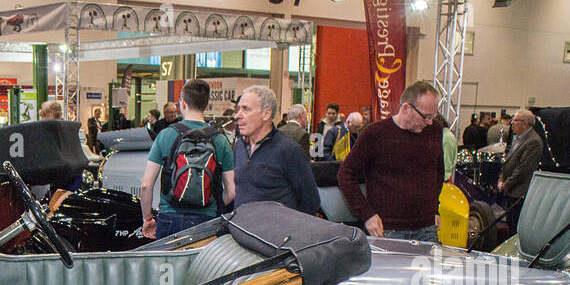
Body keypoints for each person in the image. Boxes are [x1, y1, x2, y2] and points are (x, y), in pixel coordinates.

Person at [338, 81, 444, 242]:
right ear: (406, 108)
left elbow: (437, 172)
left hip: (427, 229)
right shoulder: (375, 134)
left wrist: (435, 208)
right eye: (426, 116)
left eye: (433, 116)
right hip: (387, 230)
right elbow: (345, 175)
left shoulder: (434, 131)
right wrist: (367, 214)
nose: (429, 122)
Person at [138, 79, 236, 239]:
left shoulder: (165, 135)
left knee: (167, 264)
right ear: (206, 104)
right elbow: (231, 192)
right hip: (206, 222)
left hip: (169, 218)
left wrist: (147, 219)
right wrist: (211, 207)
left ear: (182, 103)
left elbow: (146, 185)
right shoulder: (220, 140)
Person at [230, 85, 320, 216]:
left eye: (246, 109)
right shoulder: (239, 146)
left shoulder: (289, 150)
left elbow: (311, 201)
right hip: (242, 232)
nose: (237, 115)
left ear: (266, 114)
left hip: (275, 234)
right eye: (238, 109)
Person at [498, 108, 544, 233]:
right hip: (511, 191)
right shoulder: (518, 139)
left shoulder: (533, 141)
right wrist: (501, 180)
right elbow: (508, 163)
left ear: (524, 123)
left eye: (515, 120)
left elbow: (523, 170)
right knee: (509, 227)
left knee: (514, 230)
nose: (512, 123)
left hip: (519, 193)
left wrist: (506, 184)